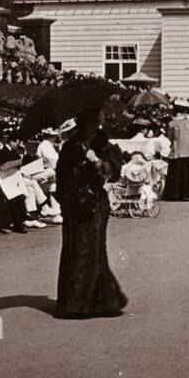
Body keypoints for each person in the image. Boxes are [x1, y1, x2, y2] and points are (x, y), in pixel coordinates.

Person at [55, 109, 128, 319]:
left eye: (96, 123)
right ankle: (75, 303)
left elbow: (114, 174)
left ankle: (101, 302)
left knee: (94, 250)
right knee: (75, 249)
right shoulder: (70, 147)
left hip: (95, 204)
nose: (94, 127)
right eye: (90, 123)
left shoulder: (102, 145)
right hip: (74, 205)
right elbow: (62, 176)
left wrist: (96, 161)